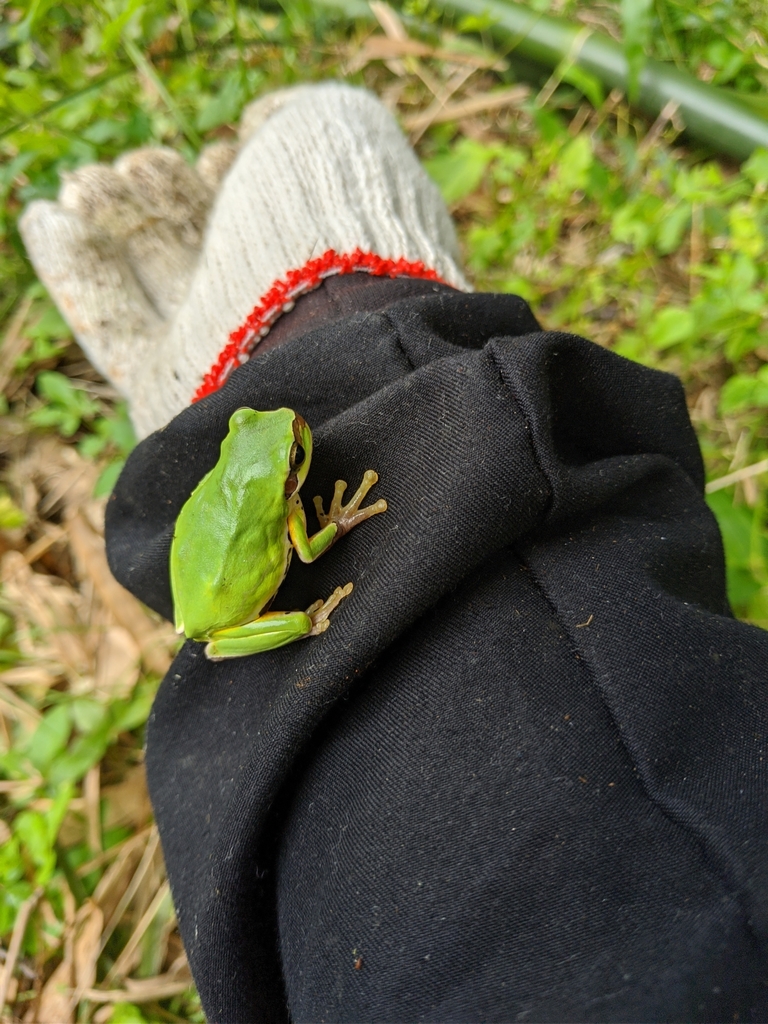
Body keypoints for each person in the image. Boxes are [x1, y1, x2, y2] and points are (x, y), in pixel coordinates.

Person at [21, 83, 768, 1023]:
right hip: (241, 612)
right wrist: (365, 393)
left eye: (284, 425)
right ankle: (355, 338)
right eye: (286, 432)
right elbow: (309, 533)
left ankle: (281, 363)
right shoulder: (296, 510)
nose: (288, 433)